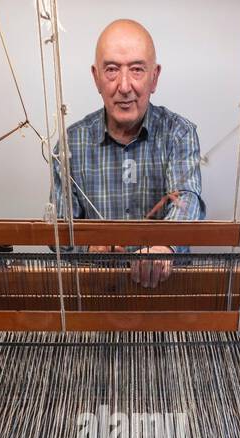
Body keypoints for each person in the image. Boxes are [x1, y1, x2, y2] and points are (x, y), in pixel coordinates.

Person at [50, 19, 205, 288]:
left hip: (164, 295)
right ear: (96, 77)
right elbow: (60, 231)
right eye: (111, 70)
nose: (124, 86)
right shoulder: (70, 145)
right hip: (94, 296)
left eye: (136, 70)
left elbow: (187, 199)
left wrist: (164, 246)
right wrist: (89, 248)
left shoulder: (178, 134)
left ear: (154, 77)